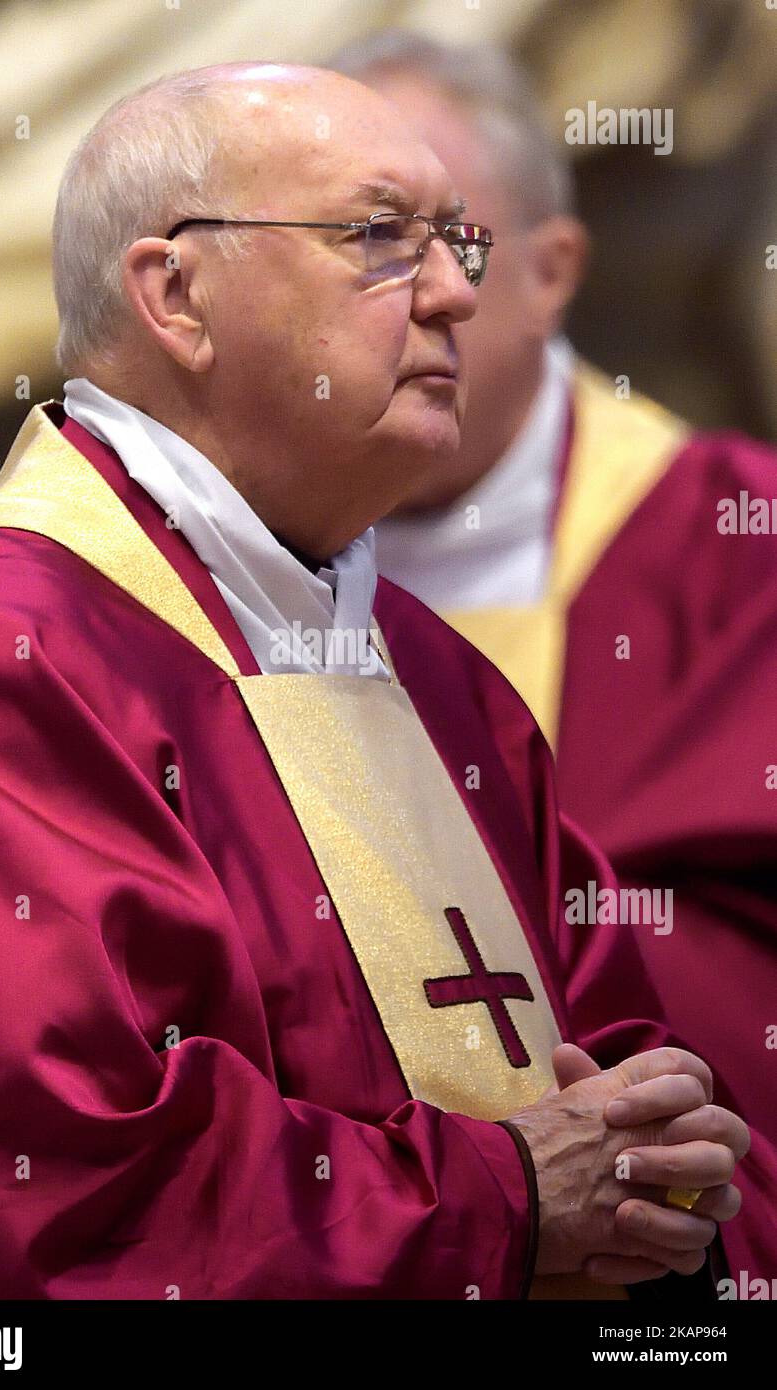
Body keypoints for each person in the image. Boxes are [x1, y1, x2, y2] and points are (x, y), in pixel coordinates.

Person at [0, 62, 752, 1300]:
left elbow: (610, 1055)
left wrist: (675, 1179)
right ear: (177, 295)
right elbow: (50, 1197)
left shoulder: (435, 671)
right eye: (381, 238)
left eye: (459, 242)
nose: (453, 294)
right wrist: (507, 1202)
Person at [330, 30, 777, 1219]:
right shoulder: (201, 566)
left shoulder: (738, 543)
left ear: (554, 269)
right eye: (359, 248)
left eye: (451, 244)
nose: (406, 299)